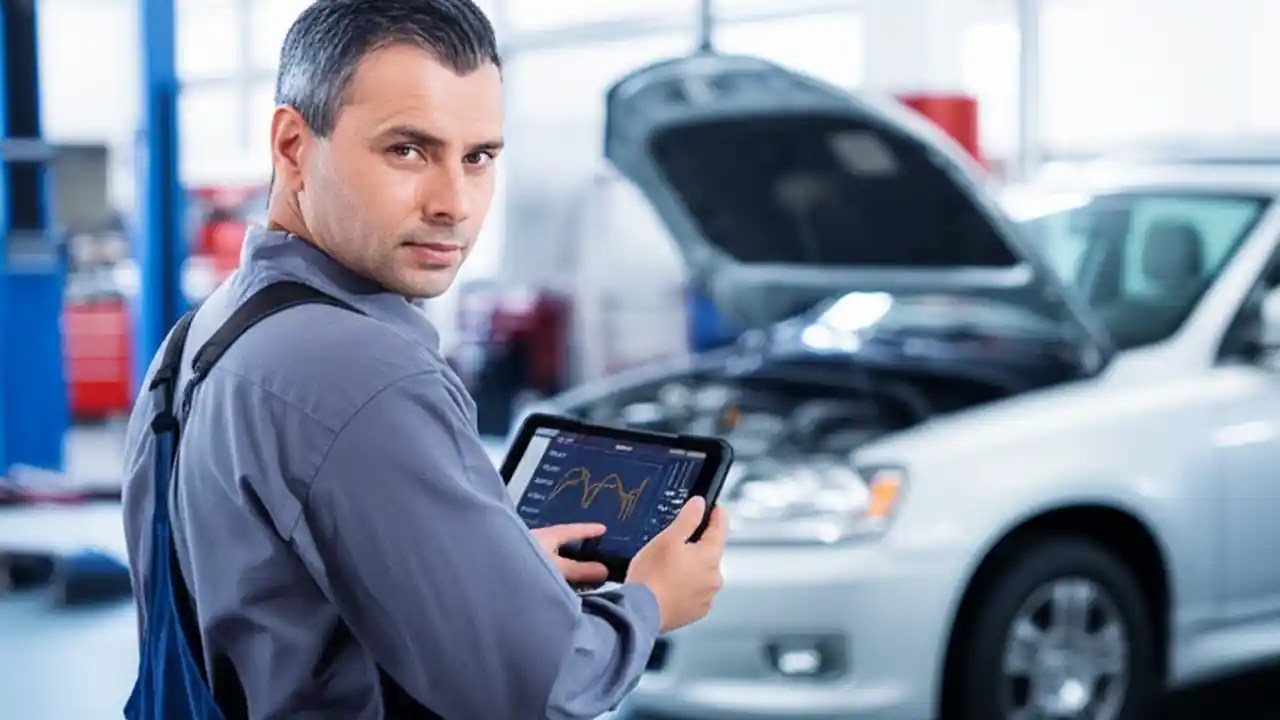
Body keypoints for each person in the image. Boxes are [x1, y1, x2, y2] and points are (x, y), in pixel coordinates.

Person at [119, 1, 728, 718]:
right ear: (291, 145)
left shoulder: (206, 332)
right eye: (407, 149)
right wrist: (652, 602)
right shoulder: (362, 371)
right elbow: (538, 688)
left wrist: (478, 573)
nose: (455, 203)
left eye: (478, 157)